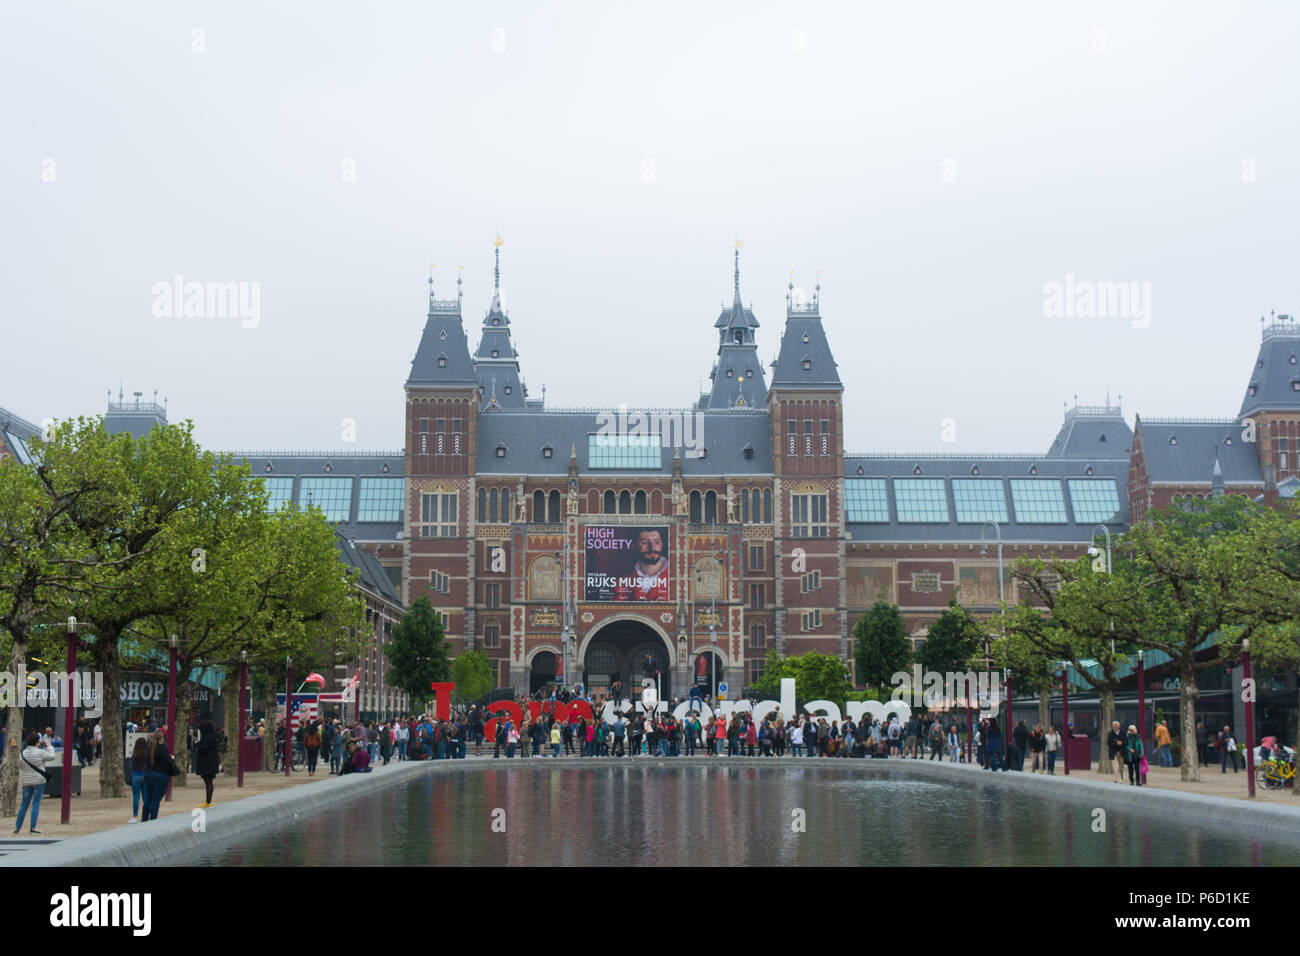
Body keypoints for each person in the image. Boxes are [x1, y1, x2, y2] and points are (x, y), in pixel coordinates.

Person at [14, 732, 57, 835]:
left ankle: (18, 827)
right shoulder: (39, 752)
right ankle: (33, 827)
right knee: (36, 803)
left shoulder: (22, 754)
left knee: (24, 805)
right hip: (38, 781)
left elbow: (21, 766)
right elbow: (52, 757)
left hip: (26, 781)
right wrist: (49, 746)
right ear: (37, 742)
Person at [141, 731, 181, 822]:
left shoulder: (149, 750)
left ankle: (144, 819)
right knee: (156, 800)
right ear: (161, 739)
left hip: (149, 775)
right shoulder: (163, 750)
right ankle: (153, 818)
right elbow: (168, 764)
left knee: (148, 799)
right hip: (161, 776)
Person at [195, 719, 220, 807]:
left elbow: (203, 747)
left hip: (208, 763)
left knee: (208, 781)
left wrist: (197, 743)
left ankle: (208, 801)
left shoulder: (209, 737)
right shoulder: (213, 736)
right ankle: (208, 800)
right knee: (208, 781)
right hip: (211, 762)